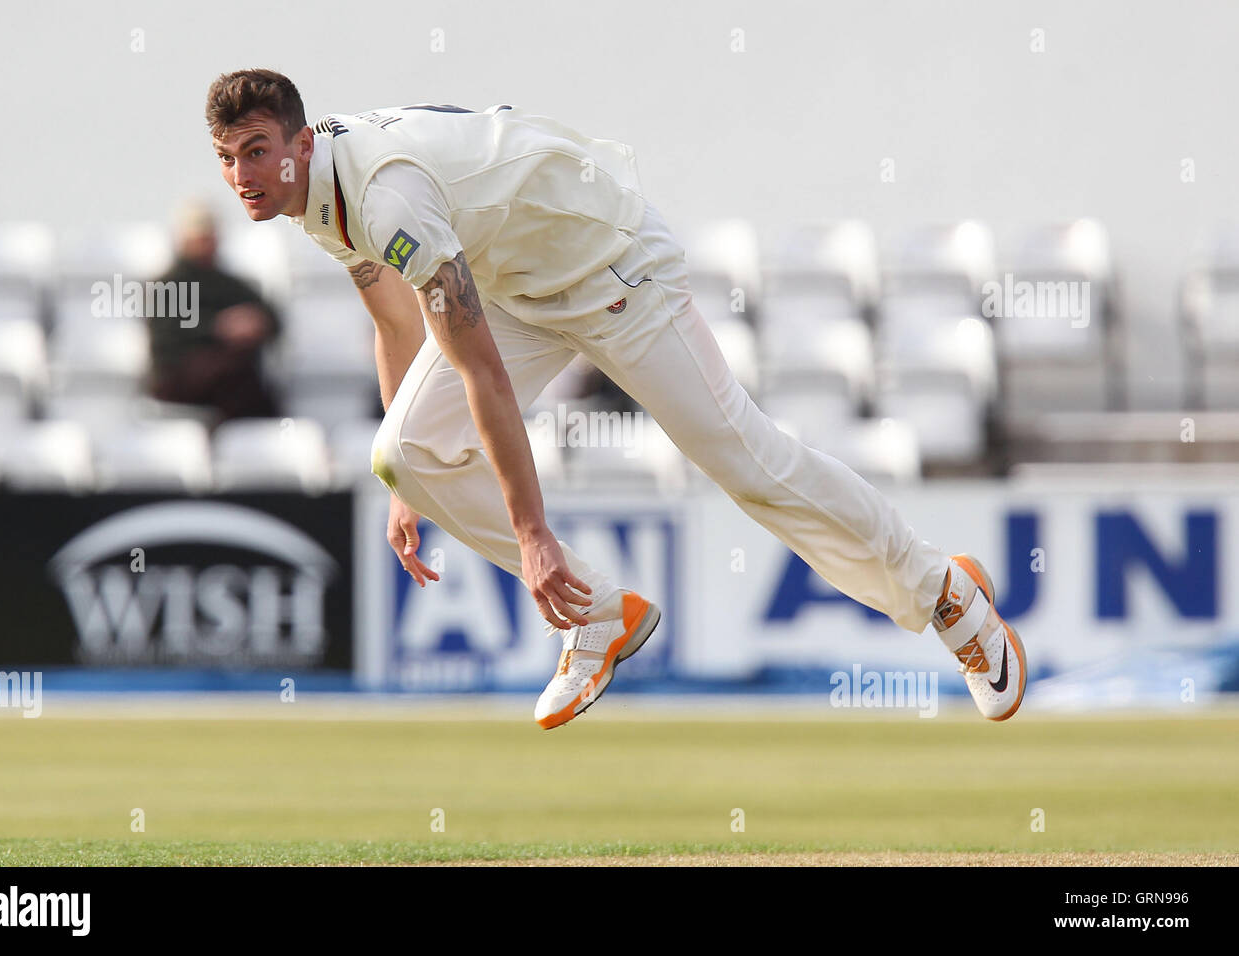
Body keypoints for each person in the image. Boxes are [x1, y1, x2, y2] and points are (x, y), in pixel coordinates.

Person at [205, 68, 1027, 728]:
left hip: (612, 269)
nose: (242, 175)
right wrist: (407, 483)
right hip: (521, 283)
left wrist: (533, 538)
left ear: (300, 142)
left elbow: (483, 375)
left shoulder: (385, 197)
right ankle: (602, 616)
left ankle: (947, 598)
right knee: (401, 452)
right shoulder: (305, 195)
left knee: (747, 464)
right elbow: (392, 320)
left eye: (256, 150)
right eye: (227, 157)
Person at [146, 200, 282, 424]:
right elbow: (166, 336)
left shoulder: (228, 284)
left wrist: (256, 323)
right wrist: (218, 328)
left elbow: (271, 317)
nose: (206, 243)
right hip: (180, 379)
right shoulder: (166, 285)